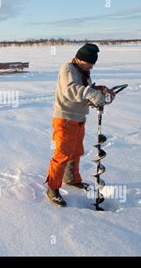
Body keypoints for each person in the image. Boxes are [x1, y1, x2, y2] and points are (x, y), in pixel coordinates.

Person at [45, 43, 115, 207]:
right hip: (65, 120)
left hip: (79, 119)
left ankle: (71, 179)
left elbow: (85, 90)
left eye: (92, 63)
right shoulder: (68, 69)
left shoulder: (84, 71)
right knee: (62, 155)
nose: (91, 66)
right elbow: (72, 90)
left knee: (76, 152)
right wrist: (92, 94)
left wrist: (99, 91)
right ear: (79, 58)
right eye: (89, 62)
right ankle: (52, 188)